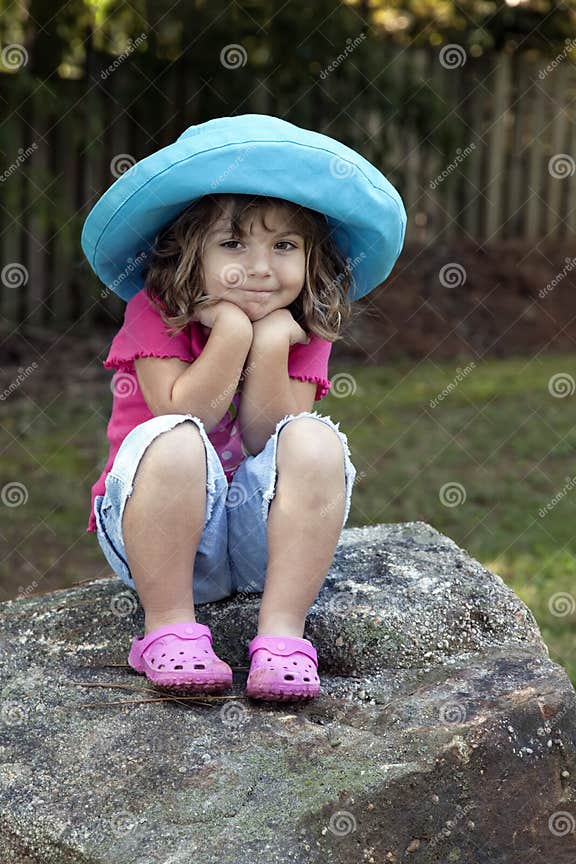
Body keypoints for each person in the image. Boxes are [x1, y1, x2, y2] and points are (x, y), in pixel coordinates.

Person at [82, 114, 406, 703]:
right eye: (233, 243)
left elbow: (269, 436)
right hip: (164, 533)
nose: (259, 267)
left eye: (284, 246)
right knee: (176, 437)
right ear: (187, 254)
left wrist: (274, 342)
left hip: (262, 542)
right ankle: (170, 627)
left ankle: (282, 635)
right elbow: (186, 413)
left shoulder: (303, 327)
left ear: (312, 259)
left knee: (315, 439)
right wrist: (232, 330)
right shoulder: (157, 310)